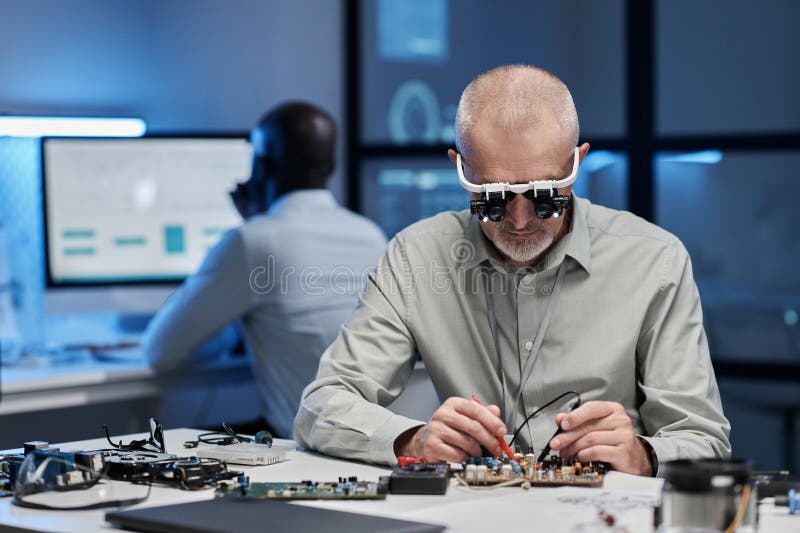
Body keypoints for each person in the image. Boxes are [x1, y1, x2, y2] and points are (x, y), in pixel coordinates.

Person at [294, 66, 731, 476]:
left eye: (544, 197)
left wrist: (644, 454)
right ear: (460, 168)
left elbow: (704, 439)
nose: (520, 221)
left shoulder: (654, 260)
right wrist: (412, 440)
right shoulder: (416, 257)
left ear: (577, 163)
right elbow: (322, 406)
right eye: (494, 198)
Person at [143, 101, 388, 438]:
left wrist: (255, 224)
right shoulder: (371, 235)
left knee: (165, 443)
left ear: (263, 165)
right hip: (373, 442)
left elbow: (159, 351)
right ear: (331, 164)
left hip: (306, 452)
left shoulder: (253, 241)